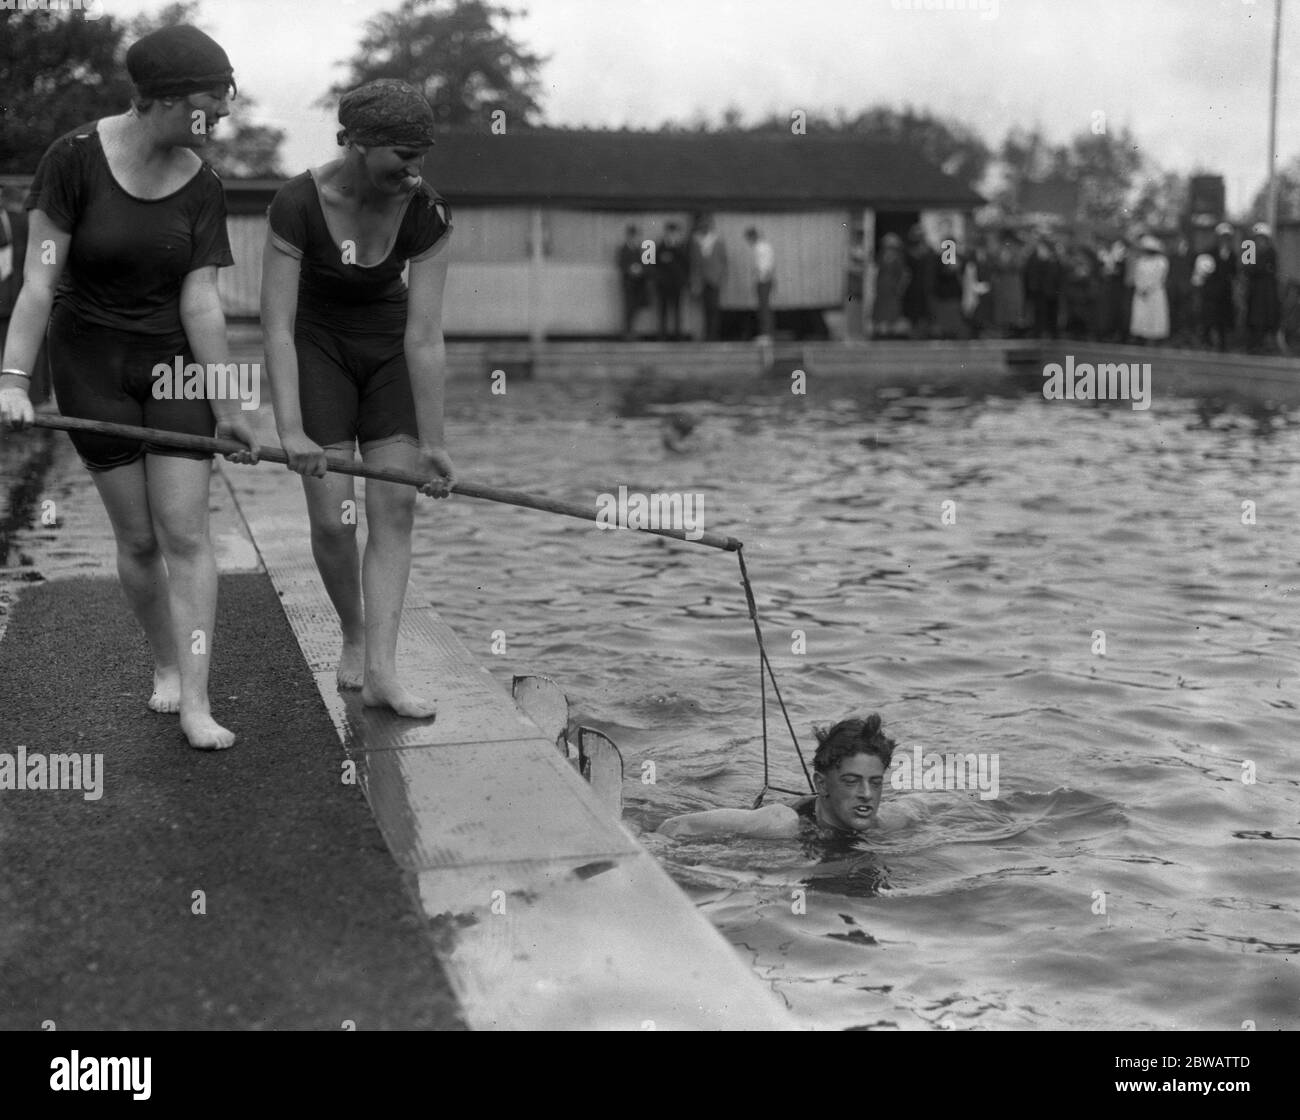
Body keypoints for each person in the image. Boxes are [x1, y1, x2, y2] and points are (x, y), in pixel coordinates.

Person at [0, 26, 258, 751]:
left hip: (172, 366)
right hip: (90, 366)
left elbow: (202, 302)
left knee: (186, 533)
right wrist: (14, 381)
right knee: (140, 540)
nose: (227, 113)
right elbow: (39, 282)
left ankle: (197, 702)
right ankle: (167, 664)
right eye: (216, 100)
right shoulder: (73, 162)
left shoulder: (203, 182)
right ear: (169, 101)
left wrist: (230, 407)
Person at [260, 79, 455, 719]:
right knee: (330, 519)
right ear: (358, 143)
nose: (415, 170)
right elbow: (277, 328)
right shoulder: (297, 202)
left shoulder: (428, 210)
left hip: (389, 349)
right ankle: (352, 630)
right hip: (317, 348)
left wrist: (434, 444)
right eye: (402, 156)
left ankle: (382, 672)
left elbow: (424, 336)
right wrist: (291, 430)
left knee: (394, 510)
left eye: (422, 156)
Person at [657, 715, 897, 840]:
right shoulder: (781, 823)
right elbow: (675, 826)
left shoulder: (885, 821)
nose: (867, 794)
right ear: (821, 784)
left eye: (875, 783)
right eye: (851, 781)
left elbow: (924, 804)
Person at [1244, 222, 1281, 354]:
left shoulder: (1271, 252)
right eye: (1257, 238)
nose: (1260, 241)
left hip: (1266, 291)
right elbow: (1247, 269)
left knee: (1266, 317)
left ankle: (1264, 344)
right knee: (1253, 317)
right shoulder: (1250, 250)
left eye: (1262, 238)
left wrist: (1258, 269)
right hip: (1254, 291)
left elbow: (1269, 269)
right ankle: (1253, 344)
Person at [689, 213, 727, 341]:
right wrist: (694, 282)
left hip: (714, 280)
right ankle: (705, 334)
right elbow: (694, 264)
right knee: (703, 309)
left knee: (713, 309)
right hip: (701, 281)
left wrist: (721, 278)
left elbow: (724, 262)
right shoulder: (696, 242)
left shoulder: (718, 242)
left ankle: (713, 335)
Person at [1202, 222, 1238, 351]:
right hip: (1212, 292)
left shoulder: (1232, 255)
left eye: (1227, 237)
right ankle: (1206, 341)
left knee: (1223, 318)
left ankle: (1223, 344)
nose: (1225, 240)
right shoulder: (1209, 252)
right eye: (1222, 237)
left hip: (1225, 292)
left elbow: (1234, 272)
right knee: (1209, 317)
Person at [1130, 234, 1170, 343]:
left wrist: (1149, 288)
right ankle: (1140, 336)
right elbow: (1137, 276)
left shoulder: (1161, 261)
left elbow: (1160, 277)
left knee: (1154, 315)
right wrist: (1140, 287)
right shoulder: (1141, 261)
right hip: (1140, 292)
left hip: (1155, 292)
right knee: (1141, 314)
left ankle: (1154, 338)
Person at [653, 220, 689, 341]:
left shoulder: (681, 247)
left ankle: (677, 335)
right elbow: (652, 264)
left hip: (677, 284)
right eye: (669, 232)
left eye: (674, 233)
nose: (671, 235)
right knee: (663, 310)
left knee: (677, 310)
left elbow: (686, 264)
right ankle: (662, 335)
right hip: (663, 284)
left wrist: (674, 251)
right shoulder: (659, 246)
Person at [871, 232, 909, 338]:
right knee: (880, 311)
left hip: (892, 291)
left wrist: (899, 288)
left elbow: (904, 275)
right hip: (882, 290)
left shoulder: (898, 258)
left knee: (891, 312)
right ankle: (881, 331)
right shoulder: (881, 256)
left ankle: (889, 332)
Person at [616, 223, 647, 341]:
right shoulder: (624, 249)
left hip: (639, 283)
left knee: (635, 308)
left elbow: (648, 265)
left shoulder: (641, 249)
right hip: (628, 283)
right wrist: (631, 269)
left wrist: (641, 269)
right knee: (628, 308)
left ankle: (632, 330)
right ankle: (628, 331)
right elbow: (621, 264)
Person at [743, 226, 776, 339]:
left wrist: (760, 277)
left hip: (763, 280)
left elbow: (763, 267)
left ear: (752, 237)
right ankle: (767, 333)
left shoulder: (759, 247)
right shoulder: (765, 245)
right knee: (764, 308)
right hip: (765, 279)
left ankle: (766, 334)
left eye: (748, 239)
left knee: (764, 309)